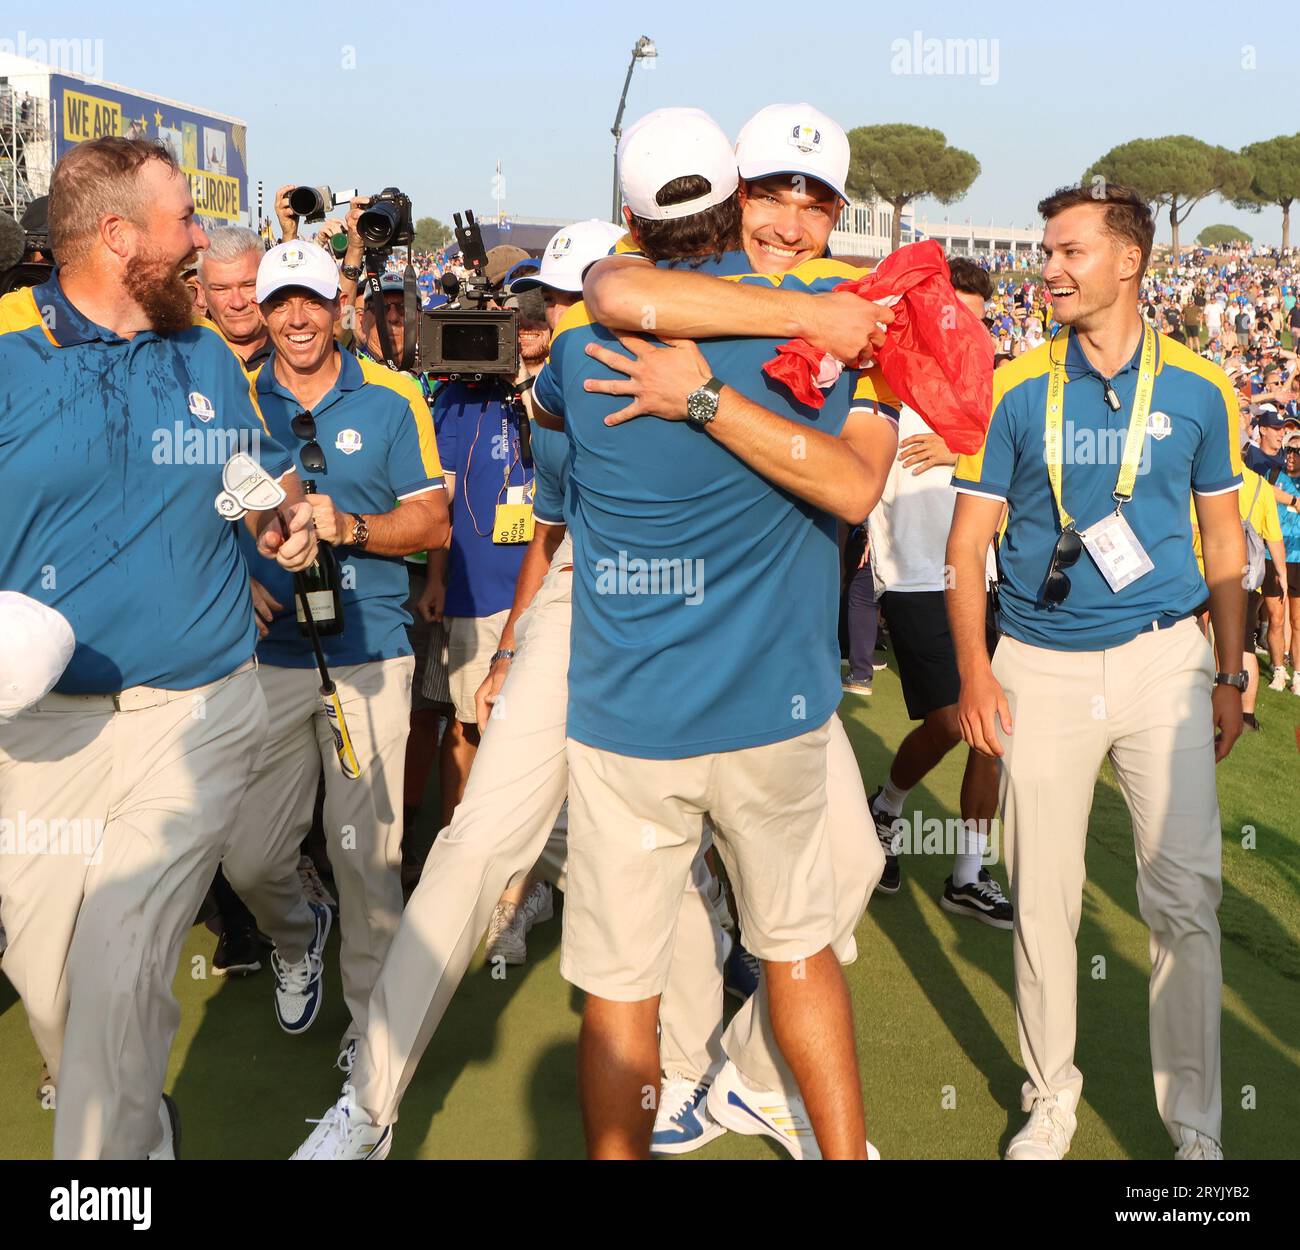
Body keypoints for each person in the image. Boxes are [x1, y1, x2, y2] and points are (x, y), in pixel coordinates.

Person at [542, 107, 894, 1160]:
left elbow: (614, 295)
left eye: (808, 197)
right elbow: (847, 483)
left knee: (620, 990)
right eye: (772, 193)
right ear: (736, 193)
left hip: (629, 720)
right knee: (796, 953)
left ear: (627, 216)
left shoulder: (579, 347)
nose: (789, 217)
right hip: (770, 711)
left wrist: (699, 394)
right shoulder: (837, 328)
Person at [0, 136, 316, 1158]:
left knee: (116, 972)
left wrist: (278, 519)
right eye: (184, 223)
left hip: (196, 714)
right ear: (116, 234)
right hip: (40, 734)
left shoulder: (203, 358)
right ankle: (136, 1119)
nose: (203, 245)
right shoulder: (8, 358)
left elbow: (239, 477)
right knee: (52, 986)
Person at [947, 182, 1245, 1161]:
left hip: (1166, 659)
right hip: (1036, 662)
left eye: (1069, 251)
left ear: (1129, 259)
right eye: (1045, 251)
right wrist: (976, 674)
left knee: (1182, 896)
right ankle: (1051, 1100)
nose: (1050, 269)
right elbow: (966, 546)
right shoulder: (1015, 384)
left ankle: (1193, 1127)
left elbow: (1222, 543)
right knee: (1042, 895)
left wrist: (1231, 671)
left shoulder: (1200, 386)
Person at [220, 240, 448, 1068]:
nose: (296, 318)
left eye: (310, 300)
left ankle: (370, 1035)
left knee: (365, 860)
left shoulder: (390, 399)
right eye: (280, 303)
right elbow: (207, 517)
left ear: (338, 303)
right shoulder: (235, 401)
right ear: (262, 311)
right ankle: (295, 932)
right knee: (246, 854)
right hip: (269, 658)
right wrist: (237, 577)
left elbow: (432, 522)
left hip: (369, 652)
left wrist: (347, 525)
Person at [865, 257, 1012, 927]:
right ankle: (887, 807)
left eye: (979, 328)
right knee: (954, 719)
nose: (969, 341)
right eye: (958, 320)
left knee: (993, 728)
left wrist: (967, 452)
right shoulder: (885, 370)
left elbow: (1015, 483)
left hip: (975, 574)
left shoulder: (988, 394)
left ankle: (966, 872)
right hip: (910, 571)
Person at [198, 225, 272, 370]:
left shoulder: (297, 351)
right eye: (221, 289)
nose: (237, 303)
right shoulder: (177, 359)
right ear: (201, 292)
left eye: (248, 285)